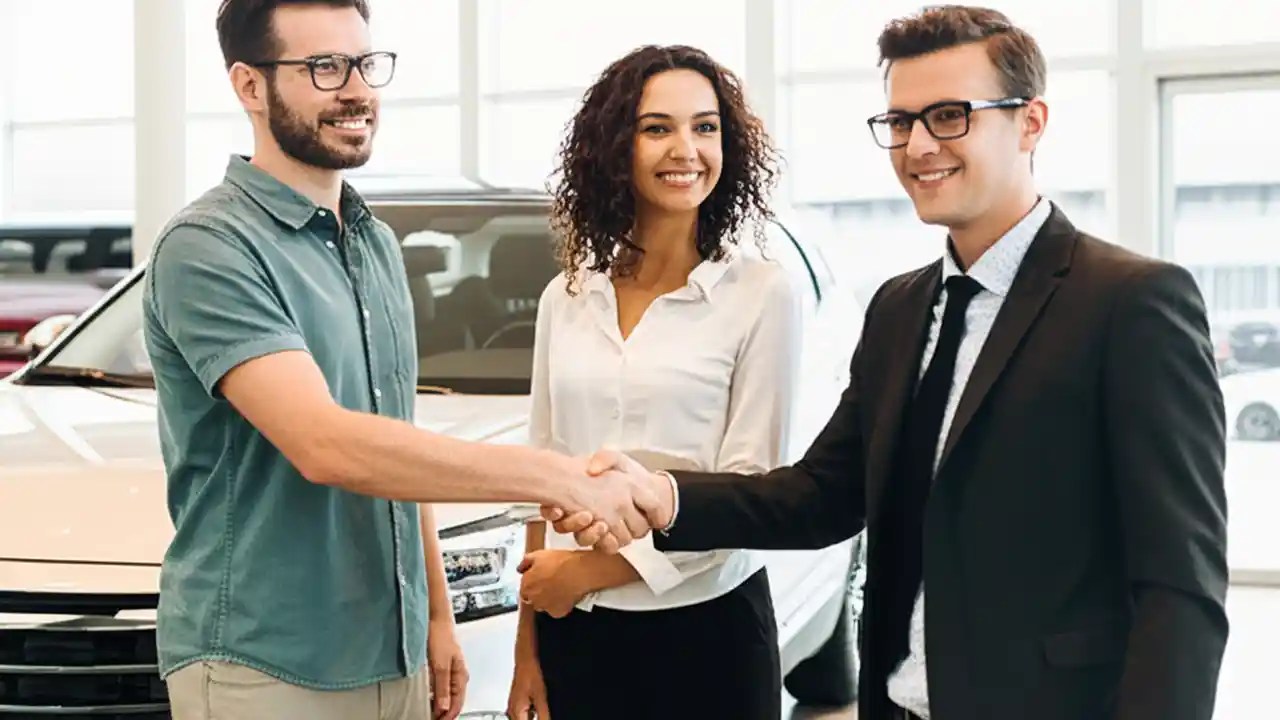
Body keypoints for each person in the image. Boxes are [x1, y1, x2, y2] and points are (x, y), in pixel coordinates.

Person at [552, 6, 1230, 720]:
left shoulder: (1130, 303)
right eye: (900, 123)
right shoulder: (900, 310)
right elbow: (820, 498)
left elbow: (1179, 590)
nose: (918, 146)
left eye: (948, 116)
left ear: (1031, 123)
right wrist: (666, 495)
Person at [143, 2, 662, 719]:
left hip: (393, 656)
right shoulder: (211, 247)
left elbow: (396, 436)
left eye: (364, 63)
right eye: (323, 67)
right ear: (249, 86)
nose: (356, 89)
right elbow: (326, 444)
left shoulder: (371, 242)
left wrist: (436, 618)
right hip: (266, 664)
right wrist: (563, 478)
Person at [505, 45, 797, 720]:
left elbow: (751, 493)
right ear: (615, 147)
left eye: (705, 127)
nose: (685, 149)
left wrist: (587, 572)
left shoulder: (760, 295)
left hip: (708, 633)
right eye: (657, 127)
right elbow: (539, 474)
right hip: (573, 628)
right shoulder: (567, 296)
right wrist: (528, 650)